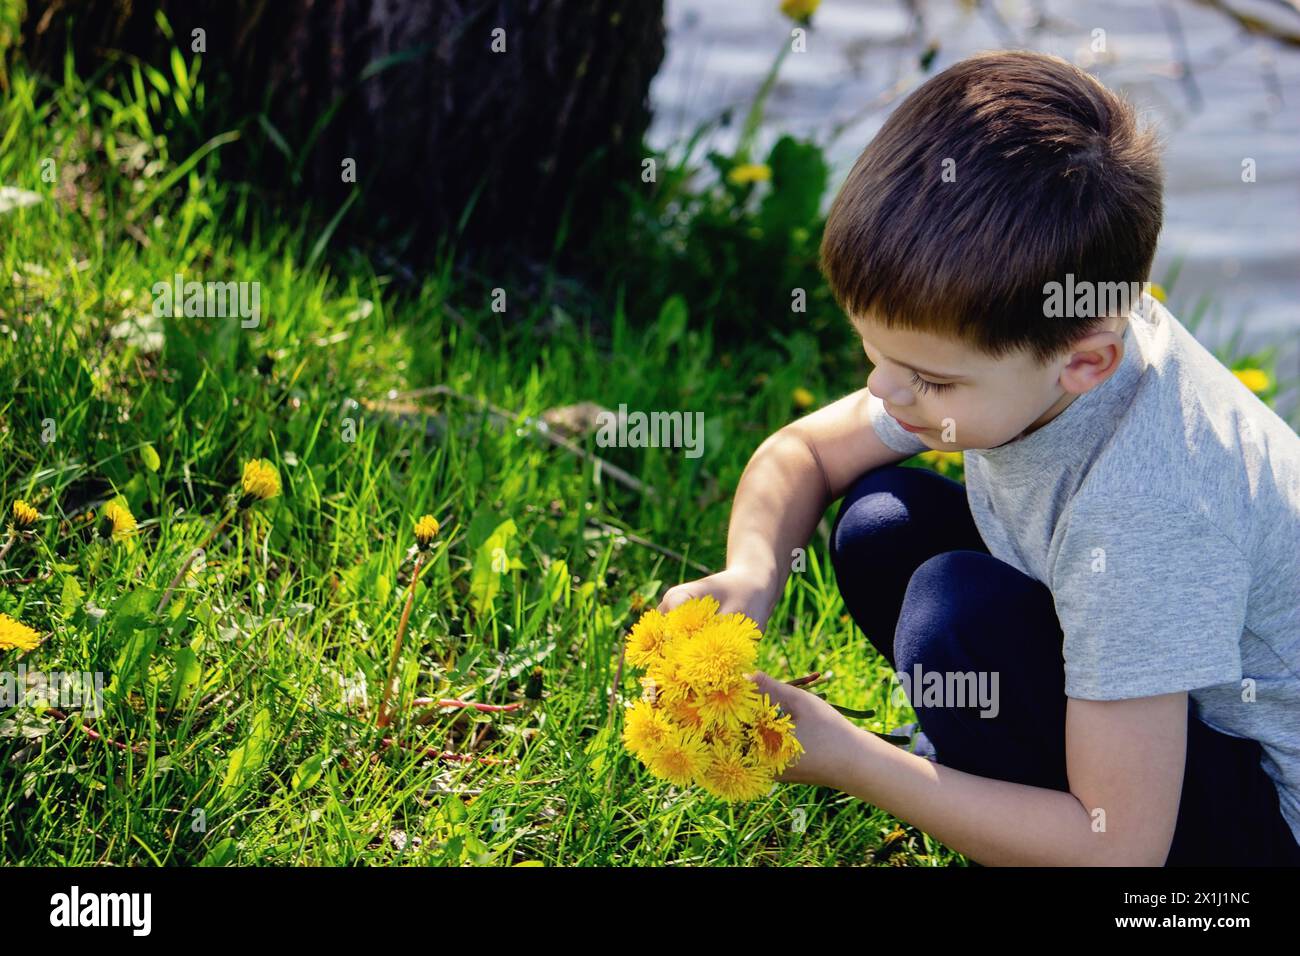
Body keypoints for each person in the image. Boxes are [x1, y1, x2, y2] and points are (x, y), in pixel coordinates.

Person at [657, 50, 1300, 866]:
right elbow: (804, 452)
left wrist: (846, 757)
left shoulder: (1147, 511)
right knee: (881, 523)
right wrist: (749, 577)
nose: (883, 392)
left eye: (928, 377)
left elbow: (1120, 851)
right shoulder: (1053, 347)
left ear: (1086, 361)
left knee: (953, 617)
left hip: (1263, 831)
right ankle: (990, 777)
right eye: (872, 351)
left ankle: (983, 792)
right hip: (1165, 707)